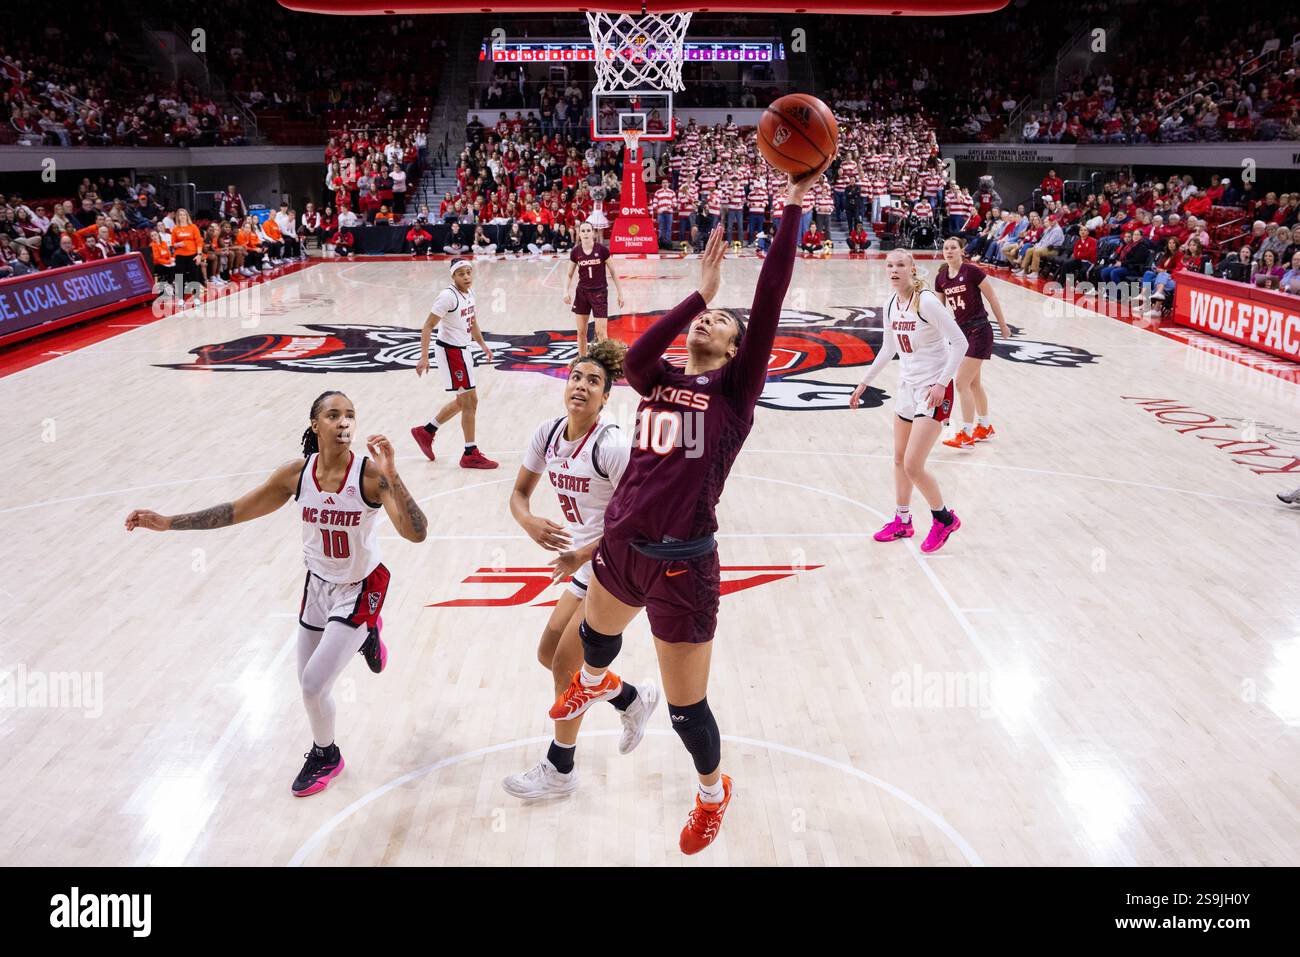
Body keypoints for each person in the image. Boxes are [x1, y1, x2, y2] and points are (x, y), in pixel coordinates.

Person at [545, 159, 831, 856]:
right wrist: (694, 294)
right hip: (620, 549)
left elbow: (769, 295)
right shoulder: (660, 378)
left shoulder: (735, 395)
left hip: (683, 565)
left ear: (736, 349)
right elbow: (630, 359)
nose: (708, 323)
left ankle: (712, 792)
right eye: (704, 320)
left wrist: (791, 205)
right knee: (595, 643)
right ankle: (593, 685)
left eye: (719, 322)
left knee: (685, 710)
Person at [125, 392, 428, 795]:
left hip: (360, 588)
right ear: (314, 425)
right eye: (333, 414)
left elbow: (417, 533)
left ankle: (327, 754)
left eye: (350, 415)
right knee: (304, 680)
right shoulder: (295, 476)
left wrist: (395, 474)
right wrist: (169, 523)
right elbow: (235, 511)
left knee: (313, 686)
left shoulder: (370, 476)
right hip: (318, 585)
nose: (344, 421)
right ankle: (367, 636)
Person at [502, 339, 661, 797]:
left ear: (606, 397)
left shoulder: (611, 445)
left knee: (567, 665)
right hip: (588, 558)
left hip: (622, 561)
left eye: (594, 381)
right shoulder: (548, 434)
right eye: (576, 377)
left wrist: (581, 553)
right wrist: (528, 521)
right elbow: (518, 495)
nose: (581, 385)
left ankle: (560, 769)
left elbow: (641, 521)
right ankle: (631, 698)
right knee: (548, 654)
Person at [850, 249, 968, 553]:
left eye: (900, 265)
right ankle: (902, 520)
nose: (894, 270)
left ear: (912, 269)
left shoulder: (926, 301)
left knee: (915, 464)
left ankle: (943, 519)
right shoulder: (891, 302)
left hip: (933, 389)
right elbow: (888, 348)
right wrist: (864, 383)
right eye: (889, 265)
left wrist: (942, 382)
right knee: (899, 459)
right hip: (907, 387)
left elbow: (960, 342)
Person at [410, 259, 499, 469]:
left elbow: (473, 322)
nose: (467, 277)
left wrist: (483, 346)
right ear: (453, 277)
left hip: (463, 349)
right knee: (470, 401)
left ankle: (426, 431)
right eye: (461, 274)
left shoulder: (470, 293)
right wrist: (424, 357)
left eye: (469, 272)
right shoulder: (447, 297)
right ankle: (470, 453)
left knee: (464, 401)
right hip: (450, 352)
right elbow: (427, 326)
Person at [934, 238, 1011, 450]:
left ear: (961, 251)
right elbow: (939, 312)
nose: (949, 251)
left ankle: (966, 433)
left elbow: (993, 298)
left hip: (980, 330)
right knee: (974, 384)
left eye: (953, 248)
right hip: (961, 335)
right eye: (946, 248)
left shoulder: (972, 271)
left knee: (961, 384)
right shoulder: (941, 278)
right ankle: (984, 427)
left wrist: (1003, 326)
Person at [564, 221, 625, 357]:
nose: (585, 233)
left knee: (601, 333)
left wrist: (620, 294)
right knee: (581, 332)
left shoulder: (602, 250)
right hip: (582, 294)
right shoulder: (575, 252)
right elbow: (569, 274)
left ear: (593, 233)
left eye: (588, 230)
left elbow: (614, 273)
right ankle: (582, 359)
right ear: (579, 234)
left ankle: (607, 363)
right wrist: (565, 291)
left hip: (599, 293)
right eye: (583, 231)